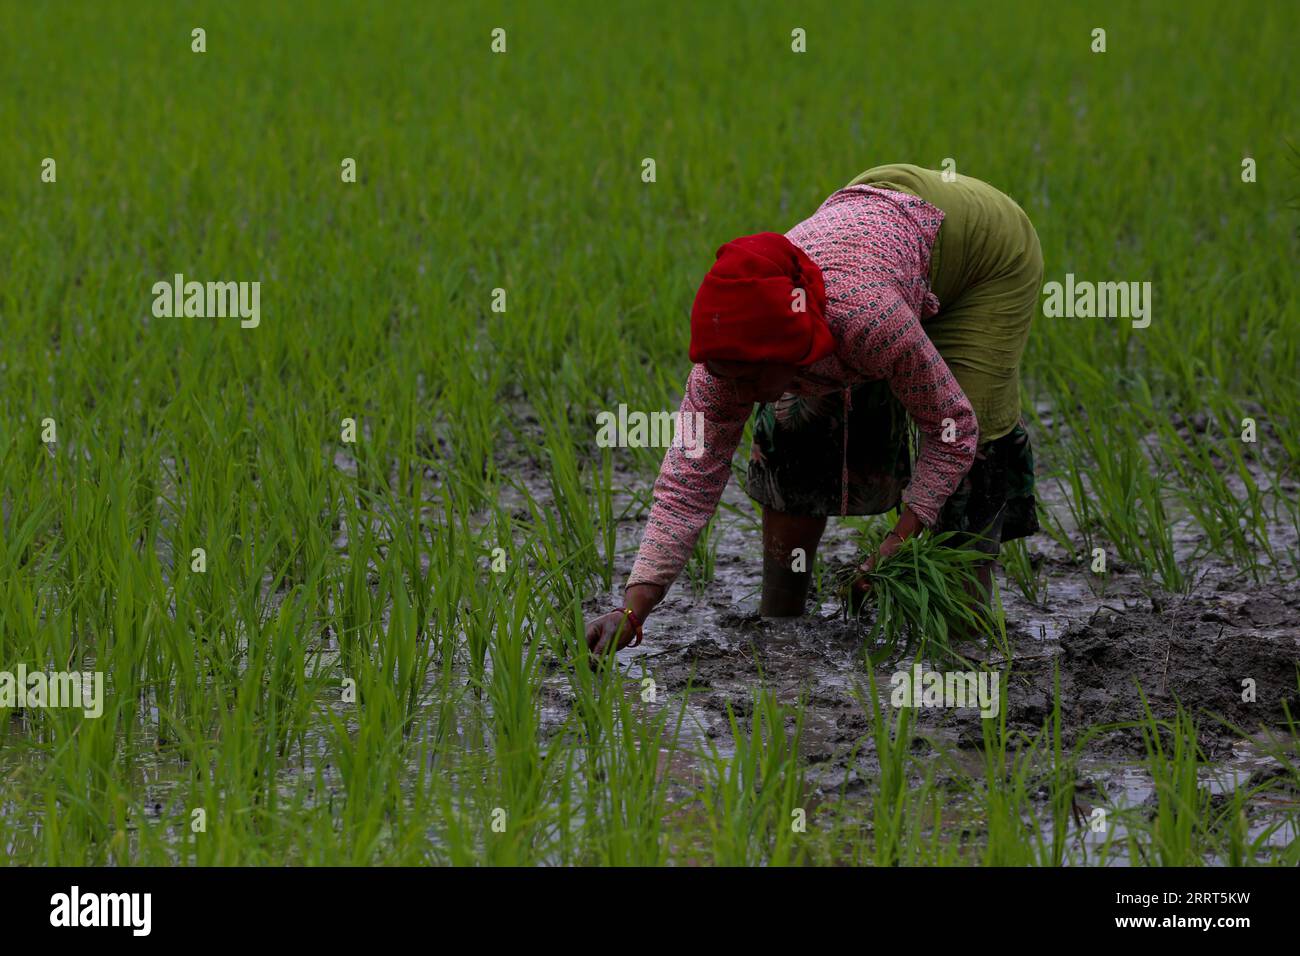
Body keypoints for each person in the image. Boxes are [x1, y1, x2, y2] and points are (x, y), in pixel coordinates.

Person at [585, 163, 1043, 657]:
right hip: (873, 221)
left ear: (789, 351)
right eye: (722, 374)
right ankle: (781, 623)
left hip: (985, 250)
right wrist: (632, 611)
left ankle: (963, 632)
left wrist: (900, 539)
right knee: (791, 429)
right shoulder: (726, 365)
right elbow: (686, 484)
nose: (735, 391)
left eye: (747, 376)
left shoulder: (866, 322)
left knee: (976, 452)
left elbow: (953, 429)